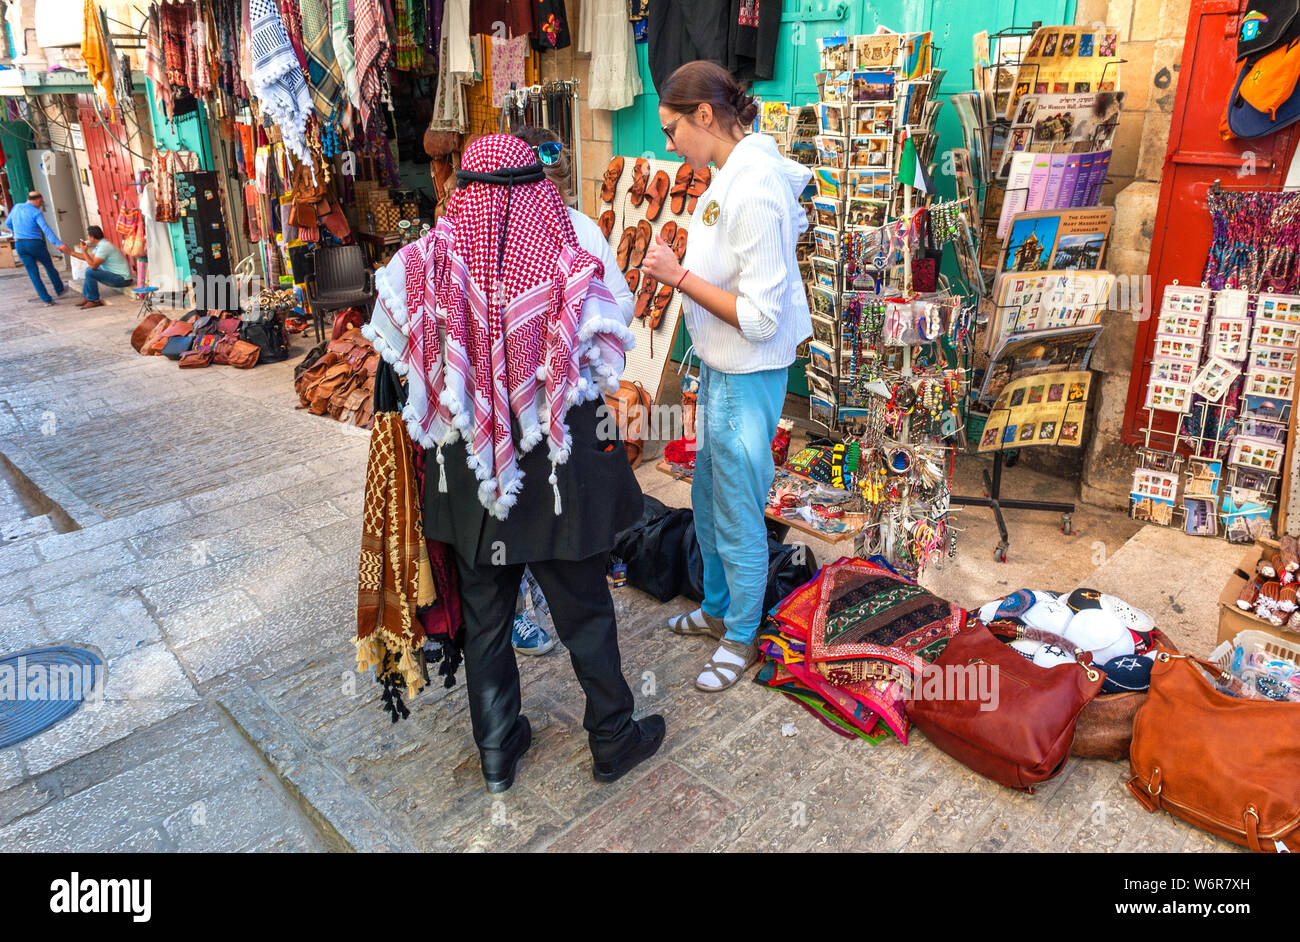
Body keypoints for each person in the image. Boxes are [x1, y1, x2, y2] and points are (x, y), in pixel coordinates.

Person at [364, 134, 664, 793]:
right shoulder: (575, 248)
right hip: (559, 464)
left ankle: (498, 749)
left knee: (487, 619)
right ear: (540, 184)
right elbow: (614, 349)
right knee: (584, 609)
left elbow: (396, 362)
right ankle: (612, 738)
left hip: (470, 471)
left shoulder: (418, 265)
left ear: (461, 188)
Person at [640, 60, 813, 693]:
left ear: (704, 117)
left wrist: (679, 277)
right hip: (720, 369)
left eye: (671, 128)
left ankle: (742, 634)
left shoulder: (754, 187)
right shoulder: (728, 178)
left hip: (747, 372)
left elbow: (763, 319)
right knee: (710, 495)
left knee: (738, 507)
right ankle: (717, 609)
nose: (667, 143)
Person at [506, 125, 637, 658]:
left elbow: (621, 302)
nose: (552, 204)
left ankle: (546, 588)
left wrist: (581, 329)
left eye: (558, 193)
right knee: (522, 502)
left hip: (566, 398)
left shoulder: (582, 230)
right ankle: (526, 598)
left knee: (553, 500)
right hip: (518, 405)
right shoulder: (487, 233)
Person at [4, 191, 71, 305]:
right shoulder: (36, 212)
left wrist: (18, 232)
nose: (41, 204)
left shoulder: (16, 207)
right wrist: (58, 243)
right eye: (40, 202)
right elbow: (46, 229)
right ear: (36, 200)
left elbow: (8, 223)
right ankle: (59, 289)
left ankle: (47, 300)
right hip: (34, 243)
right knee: (49, 266)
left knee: (33, 273)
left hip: (20, 244)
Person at [66, 225, 134, 308]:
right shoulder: (101, 245)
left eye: (89, 236)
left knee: (90, 271)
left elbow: (93, 266)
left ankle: (94, 300)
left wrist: (84, 251)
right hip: (117, 276)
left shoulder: (104, 247)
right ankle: (87, 297)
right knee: (89, 270)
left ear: (92, 237)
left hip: (122, 279)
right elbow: (89, 258)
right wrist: (70, 252)